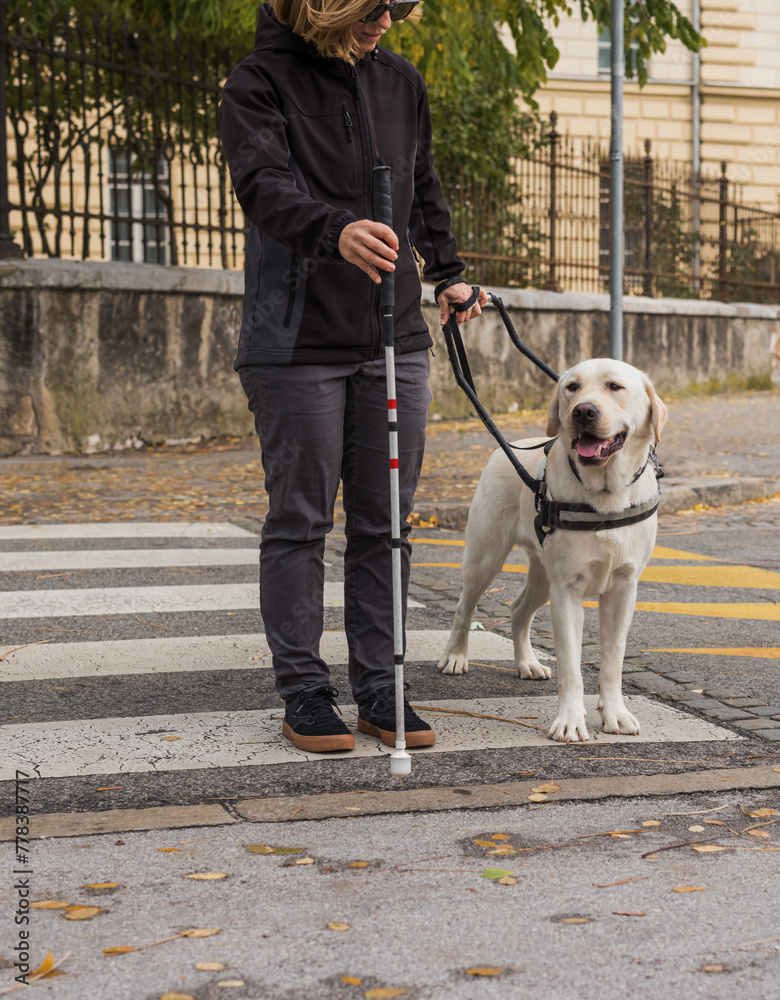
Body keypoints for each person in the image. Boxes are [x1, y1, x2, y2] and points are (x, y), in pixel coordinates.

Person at [218, 0, 487, 754]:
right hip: (298, 339)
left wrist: (449, 275)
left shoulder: (399, 81)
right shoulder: (257, 82)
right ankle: (304, 689)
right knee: (302, 522)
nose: (389, 22)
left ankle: (380, 685)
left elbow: (420, 183)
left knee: (386, 524)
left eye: (399, 8)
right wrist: (332, 230)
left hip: (394, 338)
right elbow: (262, 185)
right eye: (376, 7)